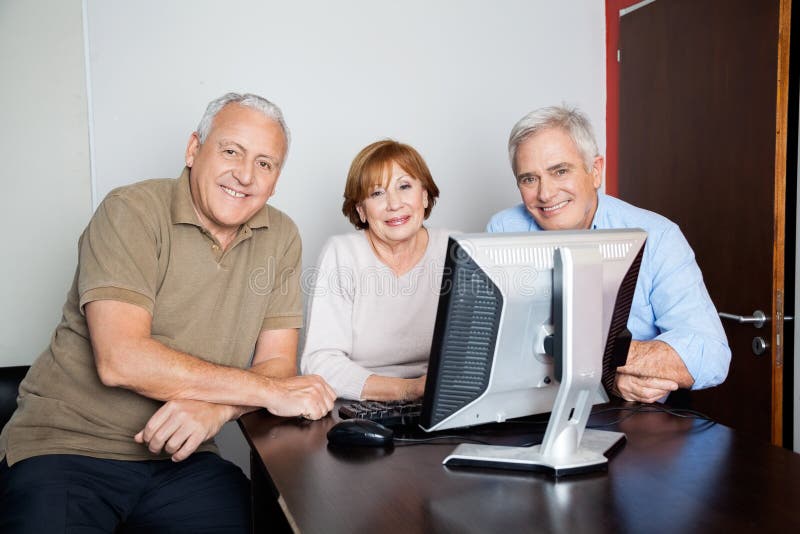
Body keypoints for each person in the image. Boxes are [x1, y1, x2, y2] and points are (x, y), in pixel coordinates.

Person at [0, 92, 335, 533]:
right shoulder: (130, 212)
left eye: (265, 164)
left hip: (183, 461)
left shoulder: (282, 236)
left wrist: (215, 411)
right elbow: (122, 359)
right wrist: (269, 393)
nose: (245, 175)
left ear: (275, 181)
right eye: (231, 150)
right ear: (194, 149)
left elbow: (276, 363)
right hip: (67, 448)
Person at [487, 105, 730, 404]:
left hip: (633, 419)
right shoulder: (504, 229)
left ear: (595, 171)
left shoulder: (657, 236)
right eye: (529, 179)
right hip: (532, 412)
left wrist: (609, 360)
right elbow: (495, 350)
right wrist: (607, 373)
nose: (545, 194)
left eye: (560, 171)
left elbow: (711, 355)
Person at [300, 140, 451, 401]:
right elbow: (319, 361)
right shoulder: (343, 253)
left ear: (424, 195)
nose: (394, 204)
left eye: (404, 186)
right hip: (360, 401)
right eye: (377, 193)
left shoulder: (455, 248)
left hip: (441, 397)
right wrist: (407, 390)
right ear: (361, 210)